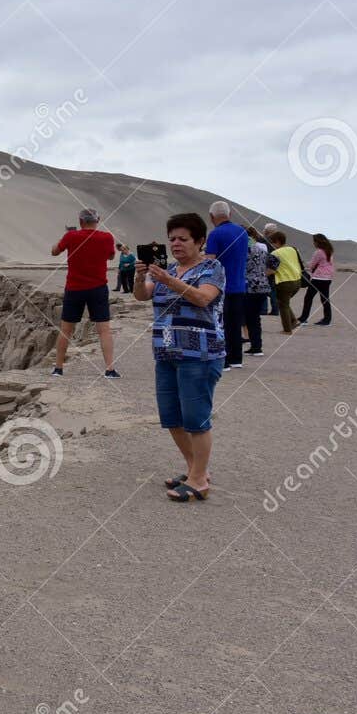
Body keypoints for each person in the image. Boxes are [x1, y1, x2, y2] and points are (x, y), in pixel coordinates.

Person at [135, 212, 225, 502]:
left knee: (196, 418)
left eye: (182, 239)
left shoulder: (212, 268)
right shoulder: (167, 270)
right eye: (172, 238)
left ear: (199, 241)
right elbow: (142, 296)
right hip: (166, 351)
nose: (175, 244)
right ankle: (195, 469)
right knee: (171, 417)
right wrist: (141, 276)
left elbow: (202, 298)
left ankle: (199, 481)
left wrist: (169, 281)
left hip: (199, 354)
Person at [49, 208, 119, 377]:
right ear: (98, 220)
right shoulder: (107, 237)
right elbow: (110, 256)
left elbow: (54, 251)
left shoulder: (71, 237)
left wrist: (65, 236)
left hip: (75, 288)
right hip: (98, 288)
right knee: (104, 330)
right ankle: (109, 369)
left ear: (80, 221)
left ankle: (58, 368)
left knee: (66, 329)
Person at [205, 201, 250, 370]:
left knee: (220, 324)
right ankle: (236, 359)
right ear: (229, 214)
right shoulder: (242, 232)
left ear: (211, 217)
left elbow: (210, 261)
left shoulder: (215, 234)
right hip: (239, 285)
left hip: (221, 287)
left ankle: (223, 361)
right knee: (234, 323)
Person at [266, 229, 303, 334]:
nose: (271, 244)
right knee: (283, 302)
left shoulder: (275, 253)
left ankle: (287, 329)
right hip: (297, 280)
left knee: (283, 305)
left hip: (284, 282)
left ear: (277, 241)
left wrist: (262, 275)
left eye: (272, 242)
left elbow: (272, 270)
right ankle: (294, 321)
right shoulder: (292, 249)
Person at [242, 226, 269, 354]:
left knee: (249, 318)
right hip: (263, 286)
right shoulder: (260, 248)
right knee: (255, 318)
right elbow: (275, 260)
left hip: (251, 287)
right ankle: (256, 347)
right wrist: (264, 273)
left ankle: (255, 346)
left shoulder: (245, 250)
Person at [300, 233, 335, 326]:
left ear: (317, 242)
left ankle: (304, 318)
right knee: (325, 299)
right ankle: (327, 320)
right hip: (328, 278)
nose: (313, 243)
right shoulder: (329, 251)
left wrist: (306, 266)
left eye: (314, 241)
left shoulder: (319, 252)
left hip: (318, 278)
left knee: (308, 298)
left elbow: (312, 265)